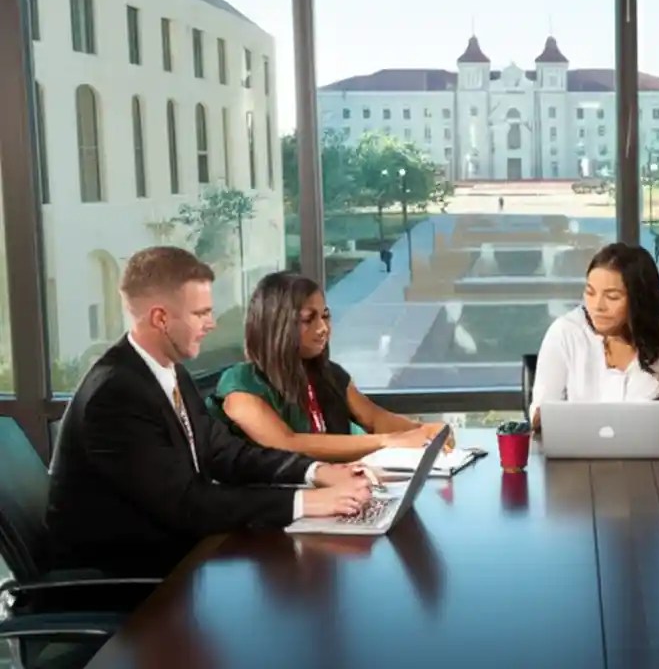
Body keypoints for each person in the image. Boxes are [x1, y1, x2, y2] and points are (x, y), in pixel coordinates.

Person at [45, 247, 373, 580]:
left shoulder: (169, 372)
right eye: (200, 314)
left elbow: (226, 452)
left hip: (179, 559)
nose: (212, 324)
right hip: (126, 581)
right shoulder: (115, 395)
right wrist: (307, 502)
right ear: (160, 318)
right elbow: (188, 505)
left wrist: (316, 472)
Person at [207, 272, 452, 463]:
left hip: (333, 492)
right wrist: (390, 441)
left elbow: (375, 418)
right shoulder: (241, 384)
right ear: (276, 324)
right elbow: (286, 443)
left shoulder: (329, 374)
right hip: (271, 509)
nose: (323, 327)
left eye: (325, 316)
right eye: (308, 319)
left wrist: (426, 431)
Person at [530, 242, 659, 435]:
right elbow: (539, 414)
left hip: (647, 454)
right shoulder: (565, 332)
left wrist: (654, 429)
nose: (597, 306)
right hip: (580, 454)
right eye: (590, 292)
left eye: (612, 297)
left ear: (639, 299)